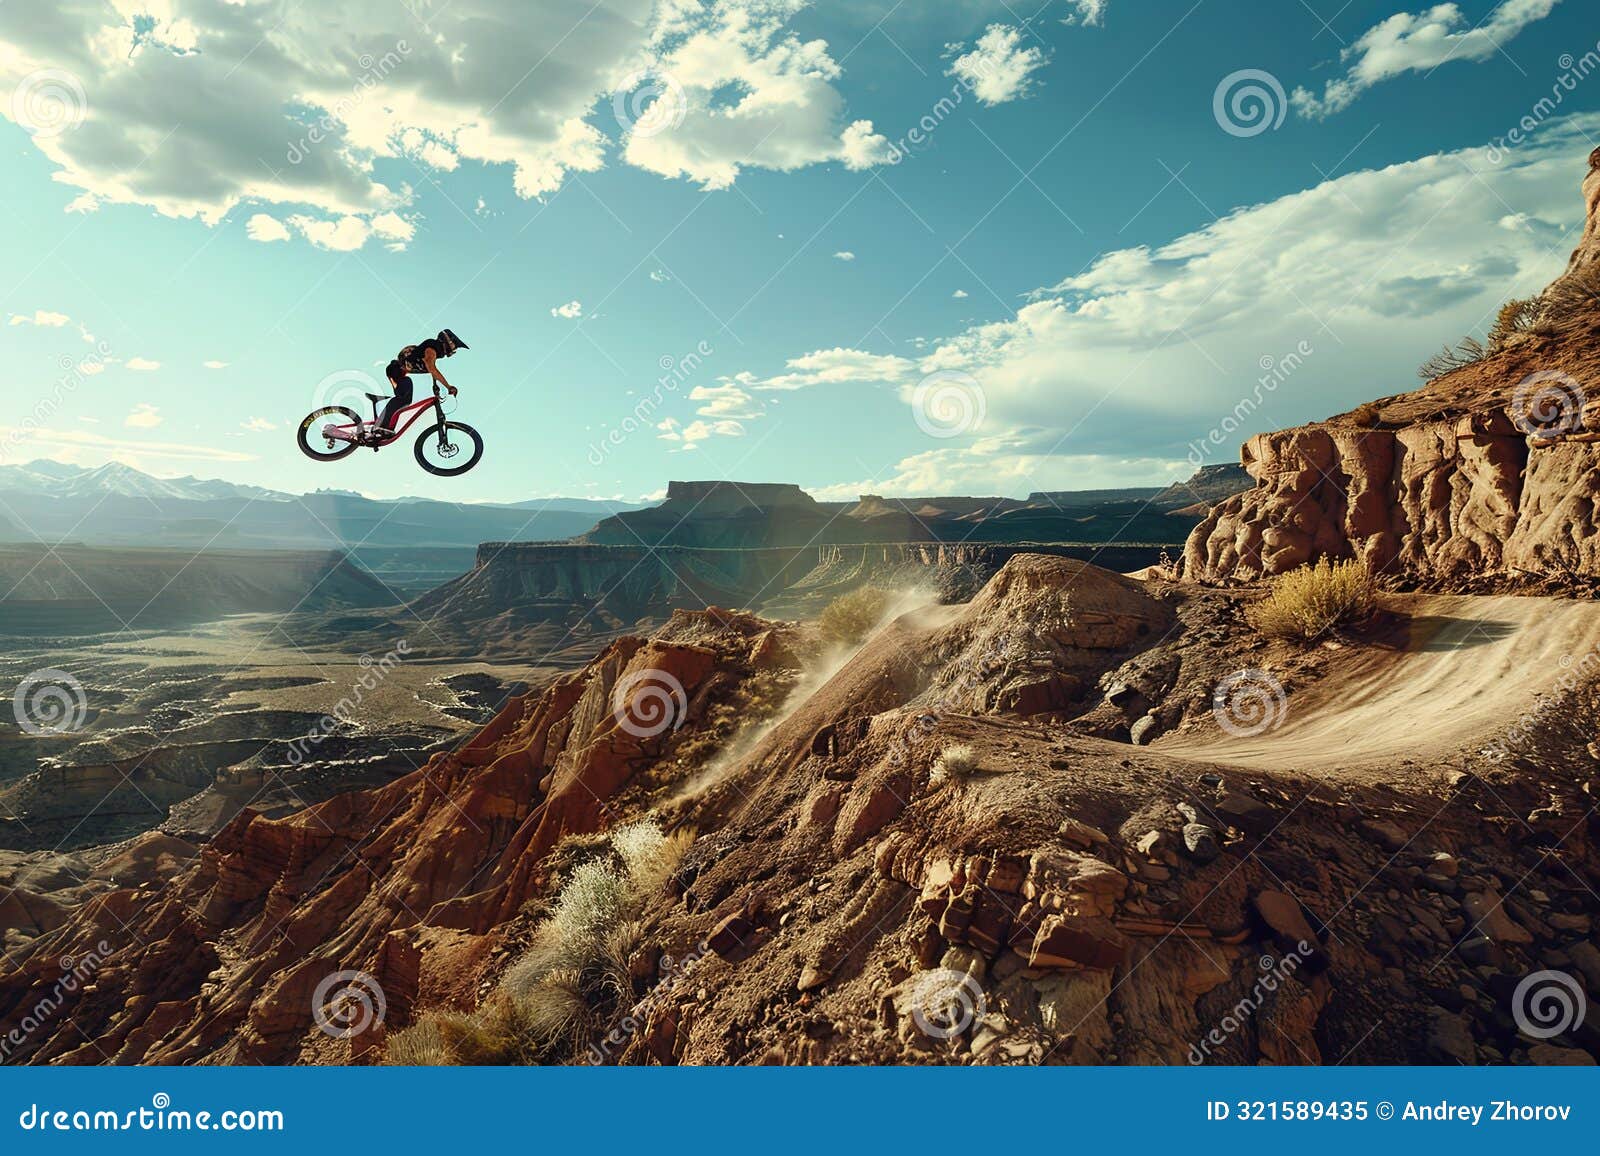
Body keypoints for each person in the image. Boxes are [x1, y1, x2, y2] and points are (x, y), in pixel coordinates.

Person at [379, 328, 467, 437]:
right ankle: (381, 426)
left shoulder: (433, 352)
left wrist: (436, 388)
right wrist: (448, 386)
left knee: (404, 400)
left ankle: (385, 428)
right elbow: (432, 369)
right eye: (455, 346)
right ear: (448, 342)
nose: (454, 350)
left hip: (397, 372)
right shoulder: (432, 348)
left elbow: (432, 372)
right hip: (395, 370)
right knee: (403, 398)